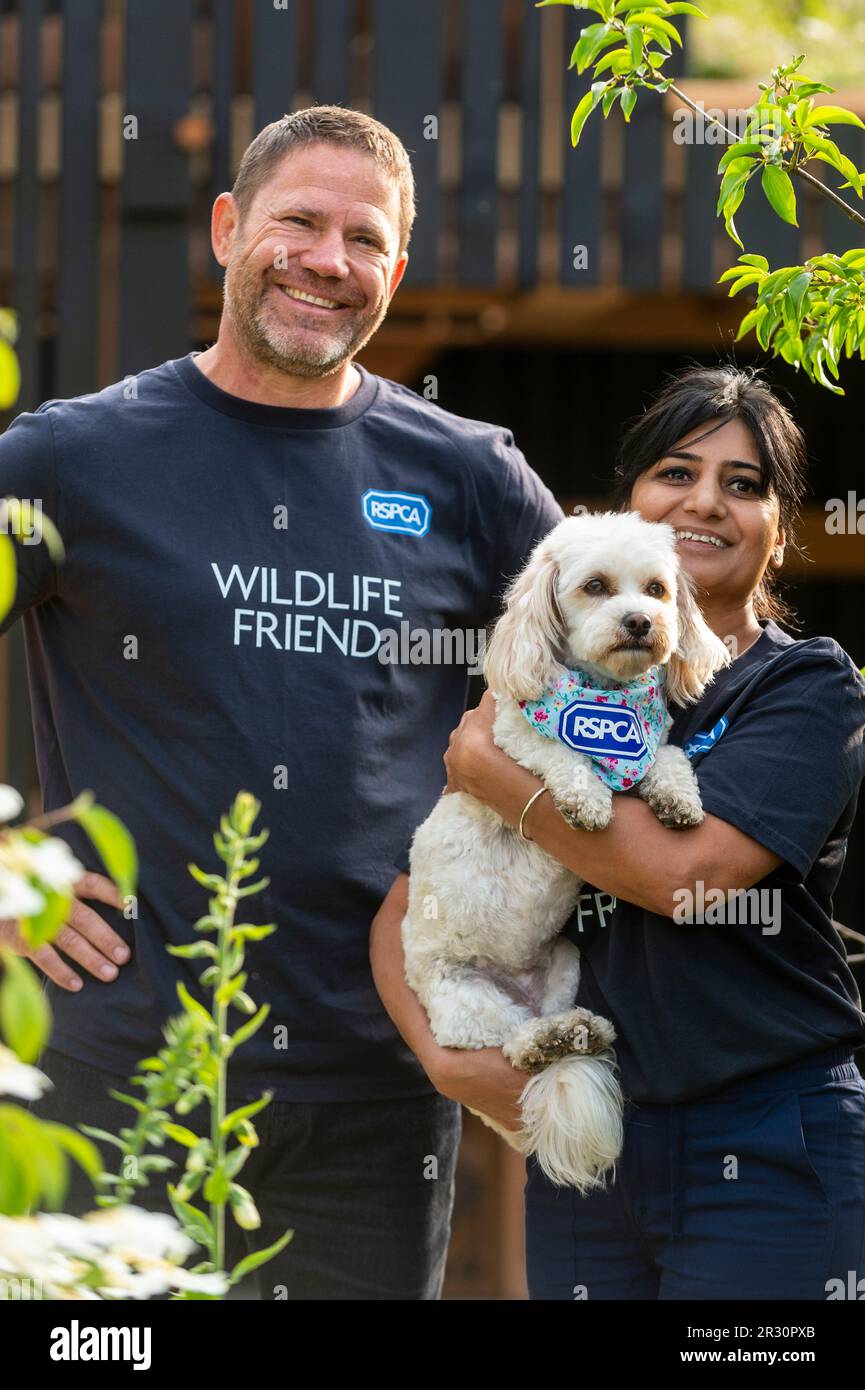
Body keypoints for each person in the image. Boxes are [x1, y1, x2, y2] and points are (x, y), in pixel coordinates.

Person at [0, 105, 563, 1299]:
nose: (327, 259)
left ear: (395, 271)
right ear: (225, 229)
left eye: (364, 239)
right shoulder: (70, 458)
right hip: (119, 1070)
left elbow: (608, 685)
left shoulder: (469, 477)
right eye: (297, 221)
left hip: (375, 1091)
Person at [371, 365, 865, 1300]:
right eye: (675, 473)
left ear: (777, 526)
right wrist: (442, 1054)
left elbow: (690, 874)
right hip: (586, 1130)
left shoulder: (806, 689)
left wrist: (502, 781)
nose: (706, 502)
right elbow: (409, 902)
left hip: (760, 1137)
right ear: (630, 502)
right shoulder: (545, 699)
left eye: (744, 484)